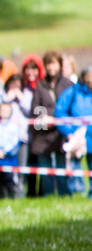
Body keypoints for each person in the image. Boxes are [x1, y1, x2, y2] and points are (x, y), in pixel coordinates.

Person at [27, 52, 66, 197]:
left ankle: (64, 194)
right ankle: (48, 195)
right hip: (44, 134)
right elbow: (35, 109)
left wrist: (55, 117)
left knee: (62, 166)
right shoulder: (40, 85)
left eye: (54, 63)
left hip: (62, 133)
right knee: (45, 168)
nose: (51, 67)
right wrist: (48, 119)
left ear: (60, 65)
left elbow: (70, 109)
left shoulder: (67, 84)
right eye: (48, 64)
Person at [54, 65, 92, 197]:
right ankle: (75, 194)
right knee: (74, 167)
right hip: (76, 138)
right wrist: (69, 131)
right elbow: (60, 112)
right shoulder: (73, 92)